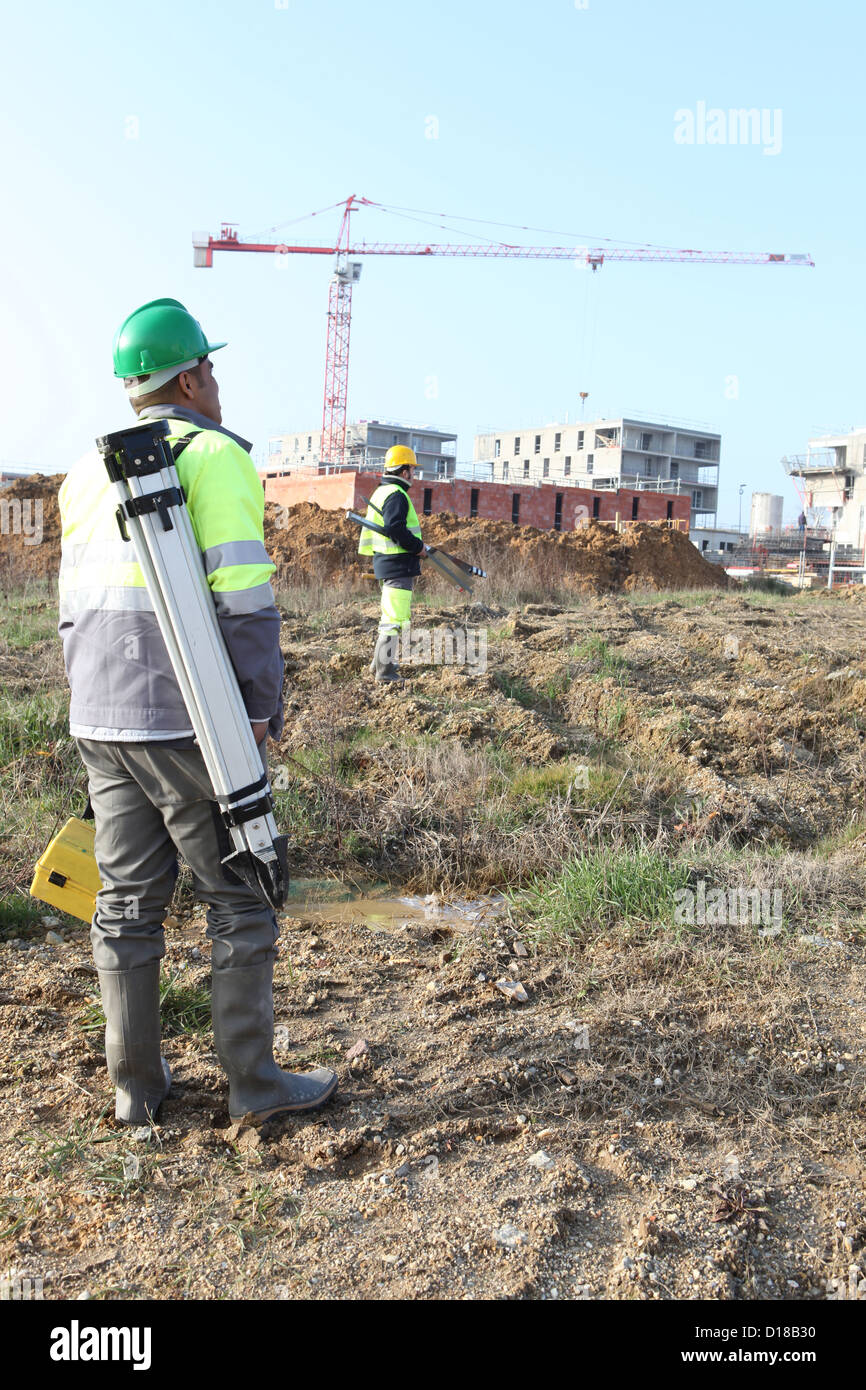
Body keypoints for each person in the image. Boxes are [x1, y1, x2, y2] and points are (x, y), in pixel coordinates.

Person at [58, 297, 337, 1125]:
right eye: (210, 368)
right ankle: (254, 1086)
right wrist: (258, 709)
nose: (217, 382)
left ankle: (134, 1091)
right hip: (190, 719)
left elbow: (71, 608)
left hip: (101, 718)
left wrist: (92, 709)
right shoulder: (215, 457)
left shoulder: (83, 468)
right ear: (189, 377)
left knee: (126, 903)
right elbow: (245, 600)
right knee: (241, 893)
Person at [357, 445, 428, 681]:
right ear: (404, 470)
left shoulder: (382, 491)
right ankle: (385, 671)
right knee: (395, 619)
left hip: (388, 563)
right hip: (398, 565)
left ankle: (378, 665)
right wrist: (418, 547)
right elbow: (395, 528)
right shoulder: (396, 494)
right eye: (412, 469)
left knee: (390, 617)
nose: (414, 474)